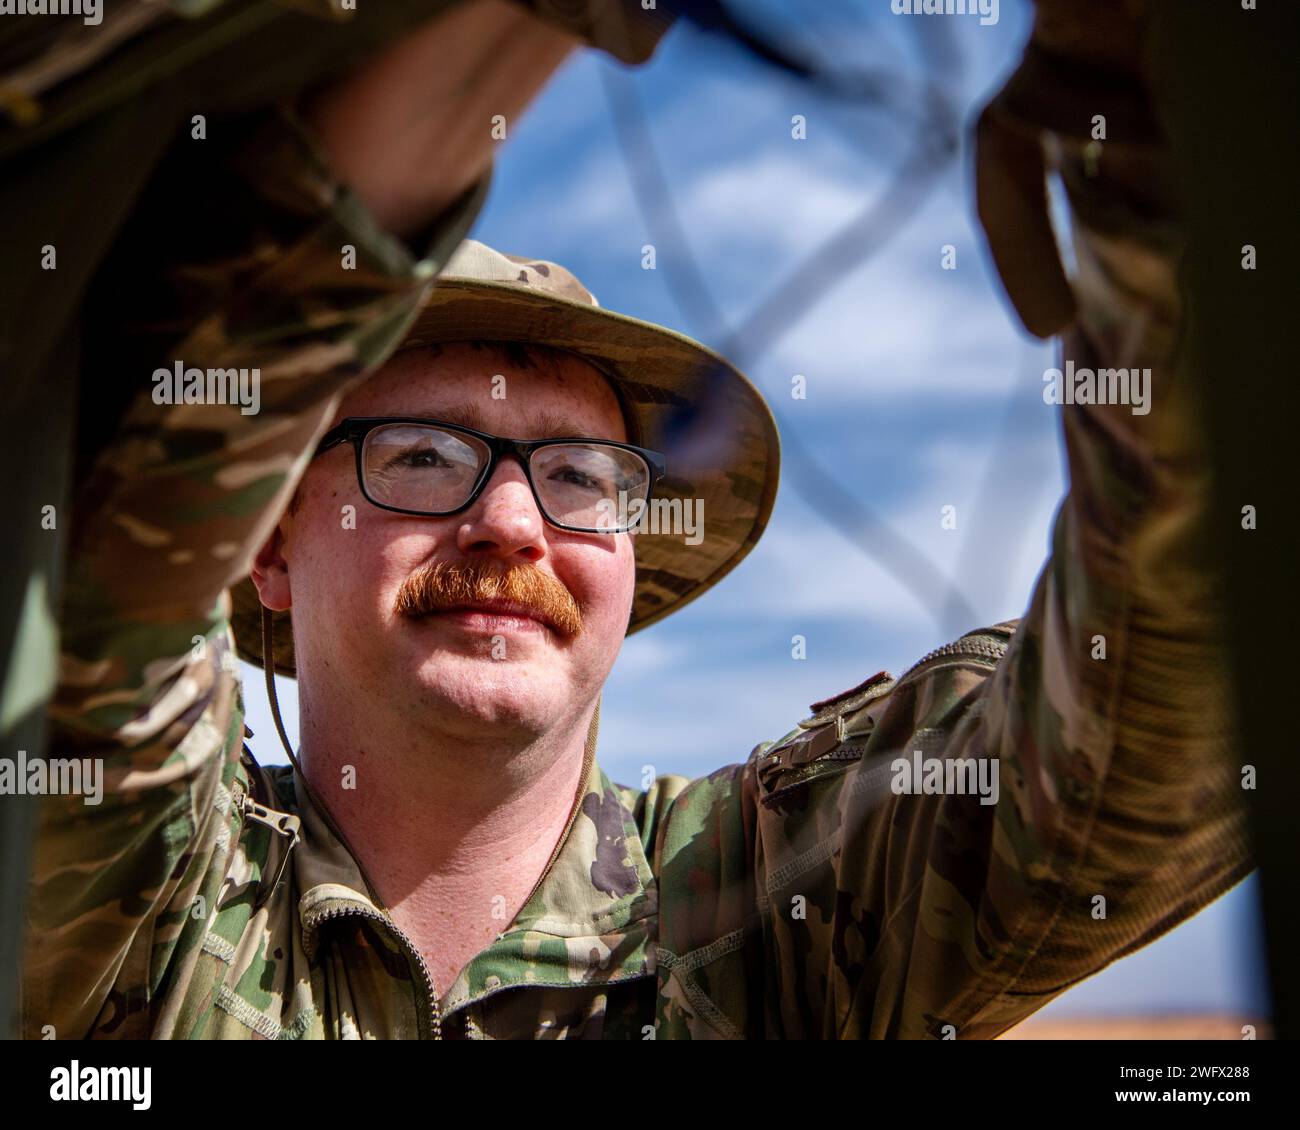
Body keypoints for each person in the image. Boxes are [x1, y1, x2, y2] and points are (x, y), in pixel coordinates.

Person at [20, 0, 1252, 1039]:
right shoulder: (150, 897)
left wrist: (1165, 168)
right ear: (271, 541)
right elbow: (102, 570)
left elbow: (1164, 713)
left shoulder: (765, 909)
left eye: (580, 475)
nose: (510, 521)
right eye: (421, 453)